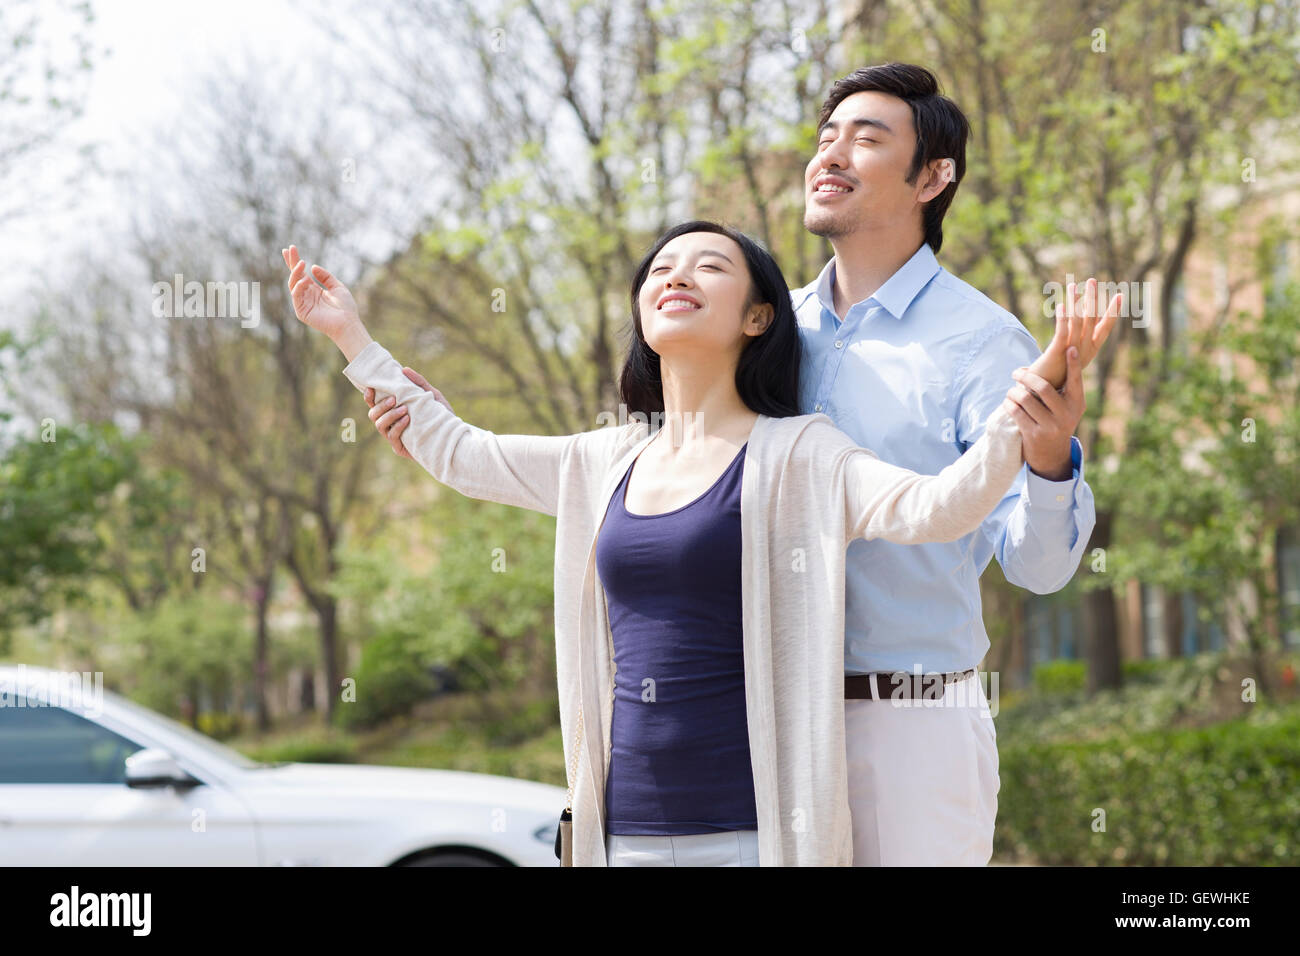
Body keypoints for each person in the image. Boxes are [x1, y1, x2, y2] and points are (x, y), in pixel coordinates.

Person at [282, 218, 1114, 866]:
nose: (676, 275)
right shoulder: (601, 461)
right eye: (661, 271)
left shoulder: (804, 456)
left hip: (761, 834)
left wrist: (1030, 406)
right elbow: (462, 451)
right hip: (626, 834)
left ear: (760, 315)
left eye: (709, 265)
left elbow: (938, 507)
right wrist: (354, 340)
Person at [796, 63, 1119, 865]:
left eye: (866, 140)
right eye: (826, 137)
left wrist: (1048, 458)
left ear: (932, 178)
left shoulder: (982, 343)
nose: (830, 155)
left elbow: (1039, 569)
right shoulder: (770, 331)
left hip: (911, 728)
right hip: (771, 723)